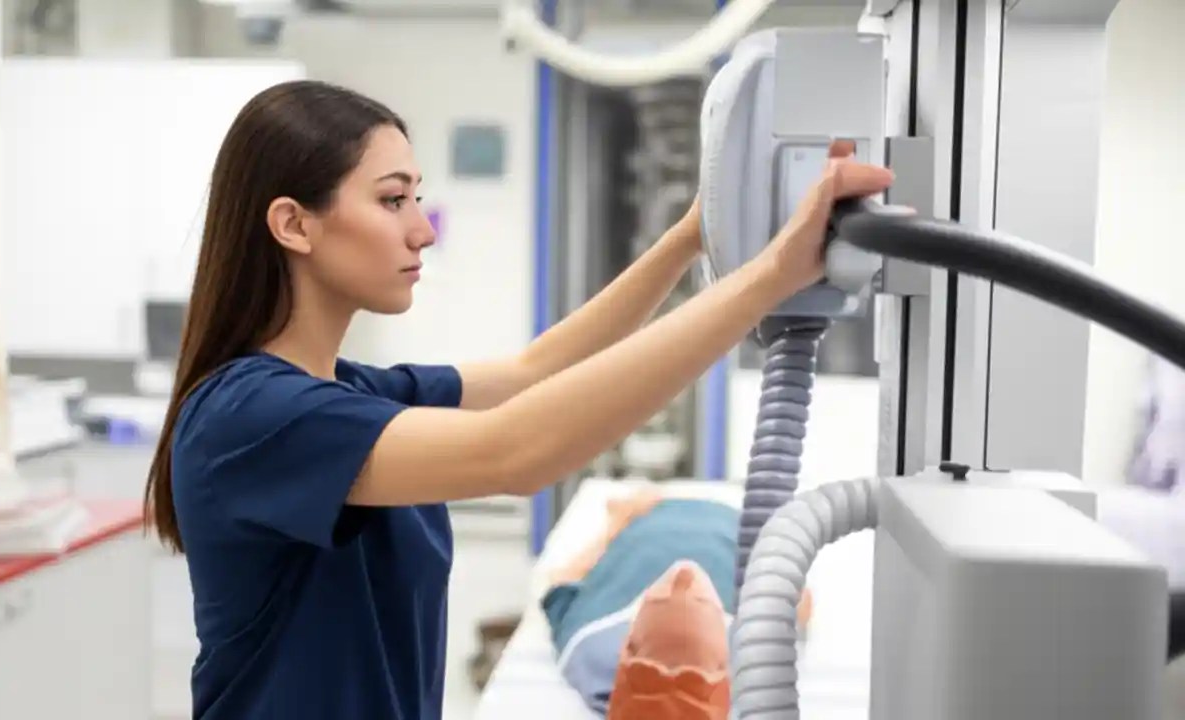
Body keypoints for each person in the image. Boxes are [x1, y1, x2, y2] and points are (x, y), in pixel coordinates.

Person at [141, 79, 894, 720]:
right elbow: (520, 451)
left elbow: (538, 372)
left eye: (418, 199)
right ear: (292, 224)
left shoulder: (352, 393)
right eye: (393, 199)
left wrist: (696, 233)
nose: (420, 230)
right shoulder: (251, 418)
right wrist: (769, 277)